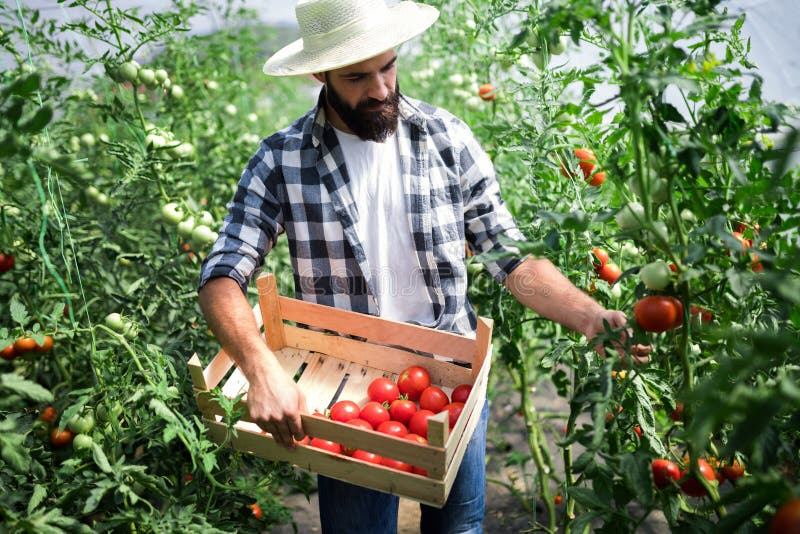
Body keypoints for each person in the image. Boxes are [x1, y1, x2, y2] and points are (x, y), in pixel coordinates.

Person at [197, 0, 649, 532]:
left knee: (459, 527)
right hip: (347, 387)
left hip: (449, 376)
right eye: (358, 76)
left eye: (388, 65)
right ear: (320, 73)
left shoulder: (446, 138)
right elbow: (222, 275)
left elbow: (510, 257)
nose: (382, 89)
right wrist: (260, 368)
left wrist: (589, 316)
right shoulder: (281, 159)